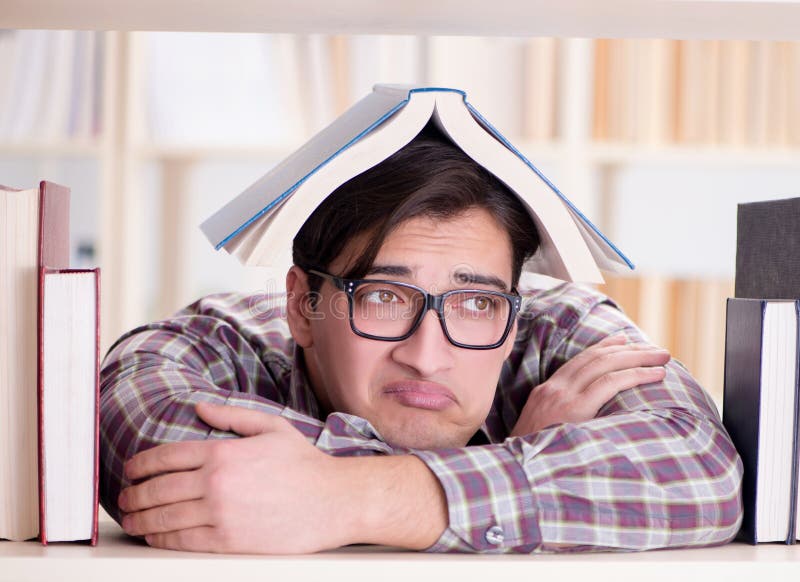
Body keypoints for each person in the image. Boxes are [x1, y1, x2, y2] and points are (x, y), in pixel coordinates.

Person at [100, 126, 743, 554]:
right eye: (383, 296)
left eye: (476, 302)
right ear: (302, 304)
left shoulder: (563, 332)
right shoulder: (212, 344)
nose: (428, 354)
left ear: (514, 312)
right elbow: (133, 429)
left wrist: (349, 498)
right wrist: (528, 457)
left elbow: (704, 472)